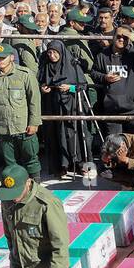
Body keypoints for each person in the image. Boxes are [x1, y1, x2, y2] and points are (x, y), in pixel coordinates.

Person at [0, 43, 42, 181]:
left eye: (3, 57)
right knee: (10, 162)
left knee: (31, 158)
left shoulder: (24, 74)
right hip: (3, 128)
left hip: (23, 126)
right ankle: (17, 186)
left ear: (12, 57)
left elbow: (34, 100)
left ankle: (36, 184)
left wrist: (34, 122)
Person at [38, 40, 93, 177]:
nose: (52, 56)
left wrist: (71, 87)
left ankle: (80, 164)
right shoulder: (45, 67)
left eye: (55, 52)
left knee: (74, 135)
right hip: (53, 107)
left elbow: (83, 85)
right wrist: (43, 88)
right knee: (56, 136)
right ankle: (61, 165)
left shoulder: (72, 65)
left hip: (71, 106)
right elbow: (39, 82)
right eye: (49, 52)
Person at [92, 26, 134, 137]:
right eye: (119, 36)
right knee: (113, 144)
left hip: (132, 108)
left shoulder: (133, 54)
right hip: (112, 107)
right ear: (113, 37)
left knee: (133, 144)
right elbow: (94, 73)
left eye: (125, 37)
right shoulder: (103, 55)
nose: (121, 40)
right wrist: (105, 77)